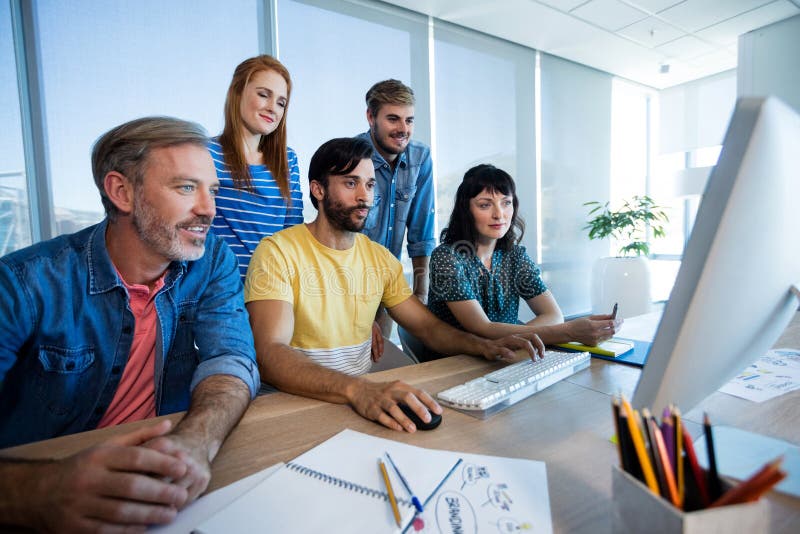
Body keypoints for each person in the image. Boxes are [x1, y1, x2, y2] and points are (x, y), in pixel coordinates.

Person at [0, 117, 260, 531]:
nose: (210, 209)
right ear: (121, 191)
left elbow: (230, 356)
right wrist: (36, 490)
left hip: (168, 480)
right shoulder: (21, 283)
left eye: (212, 189)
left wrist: (198, 439)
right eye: (186, 187)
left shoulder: (212, 261)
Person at [245, 137, 544, 434]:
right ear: (318, 189)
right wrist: (358, 390)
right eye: (351, 183)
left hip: (359, 398)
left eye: (371, 185)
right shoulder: (277, 252)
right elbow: (271, 353)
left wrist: (484, 346)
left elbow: (429, 329)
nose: (365, 196)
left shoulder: (379, 258)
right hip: (294, 403)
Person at [427, 164, 620, 354]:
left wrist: (521, 339)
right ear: (466, 210)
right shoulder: (447, 257)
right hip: (456, 362)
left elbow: (553, 315)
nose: (499, 214)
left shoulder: (515, 256)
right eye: (485, 205)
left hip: (504, 357)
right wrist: (568, 332)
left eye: (506, 202)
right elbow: (482, 328)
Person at [355, 79, 435, 352]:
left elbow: (421, 232)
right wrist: (358, 313)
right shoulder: (350, 156)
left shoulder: (420, 158)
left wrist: (421, 294)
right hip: (350, 288)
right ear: (370, 117)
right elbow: (340, 236)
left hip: (389, 286)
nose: (403, 129)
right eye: (393, 119)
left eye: (409, 120)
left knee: (381, 361)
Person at [209, 55, 304, 279]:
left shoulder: (287, 159)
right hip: (219, 290)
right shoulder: (206, 153)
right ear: (237, 92)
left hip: (272, 288)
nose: (273, 108)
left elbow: (293, 230)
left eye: (281, 103)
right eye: (263, 95)